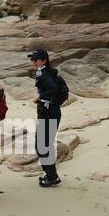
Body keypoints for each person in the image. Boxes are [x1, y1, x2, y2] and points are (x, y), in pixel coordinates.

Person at [28, 48, 65, 187]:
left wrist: (42, 98)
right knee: (44, 145)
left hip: (49, 114)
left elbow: (53, 89)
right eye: (32, 59)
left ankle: (52, 177)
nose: (33, 62)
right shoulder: (45, 72)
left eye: (36, 59)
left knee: (42, 146)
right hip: (50, 112)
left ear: (44, 60)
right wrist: (42, 98)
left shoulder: (44, 75)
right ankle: (51, 175)